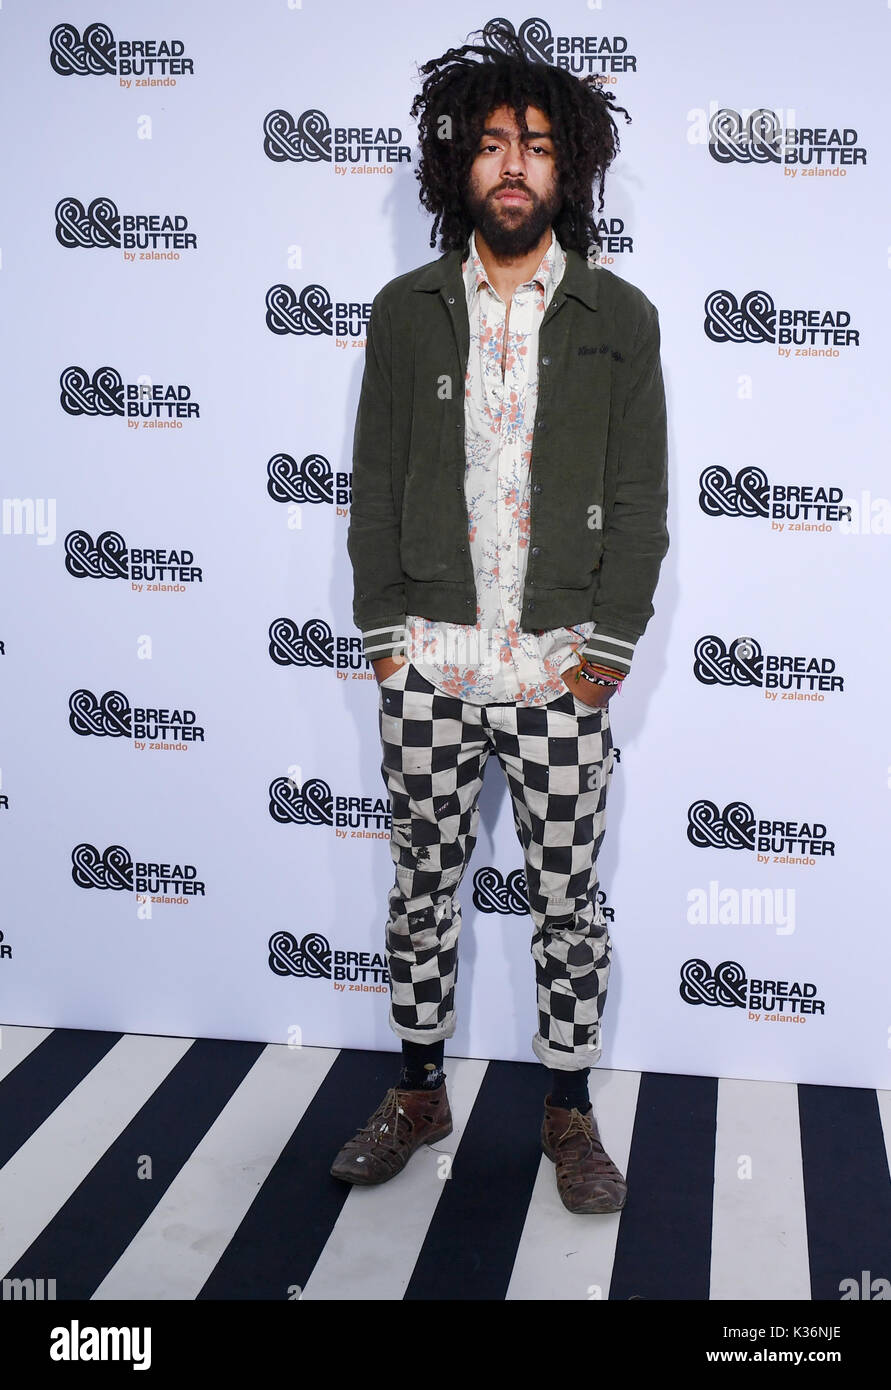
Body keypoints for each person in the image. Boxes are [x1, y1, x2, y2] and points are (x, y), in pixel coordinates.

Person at [332, 27, 669, 1214]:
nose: (512, 167)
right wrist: (384, 641)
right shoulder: (405, 309)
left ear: (569, 166)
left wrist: (602, 655)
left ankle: (568, 1114)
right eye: (489, 146)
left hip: (561, 668)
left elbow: (639, 500)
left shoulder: (621, 318)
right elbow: (372, 482)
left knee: (568, 898)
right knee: (423, 883)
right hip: (428, 665)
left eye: (534, 146)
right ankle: (418, 1090)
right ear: (456, 169)